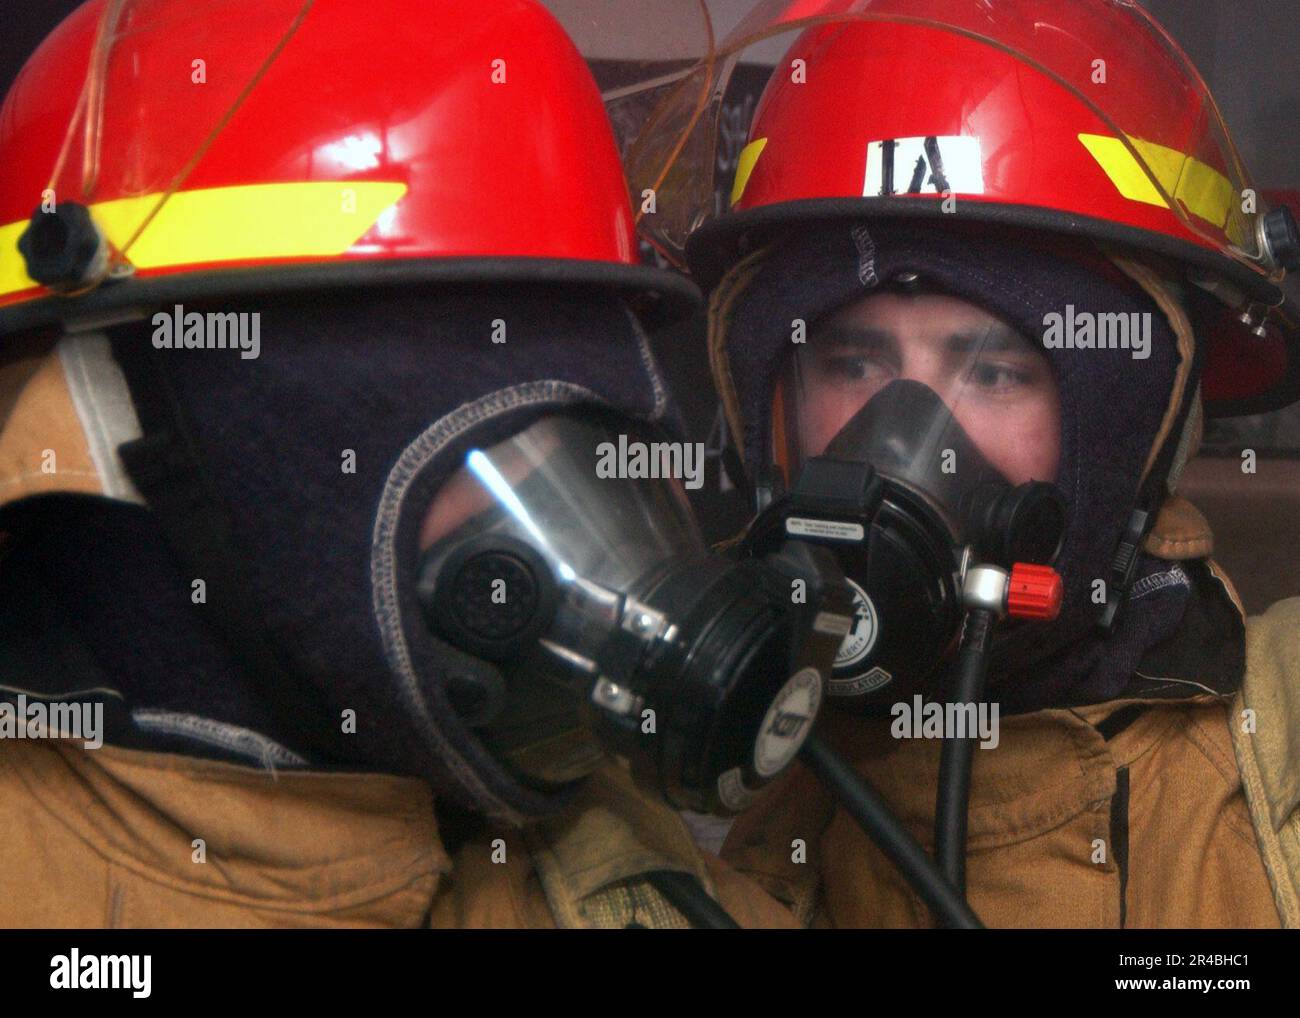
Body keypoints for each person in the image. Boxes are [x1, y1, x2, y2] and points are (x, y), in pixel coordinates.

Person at [0, 0, 810, 929]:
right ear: (102, 414)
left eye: (578, 411)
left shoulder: (629, 875)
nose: (566, 495)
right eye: (447, 390)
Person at [678, 0, 1300, 927]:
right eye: (854, 363)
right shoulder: (699, 794)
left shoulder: (1271, 782)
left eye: (997, 371)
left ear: (1136, 433)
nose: (904, 440)